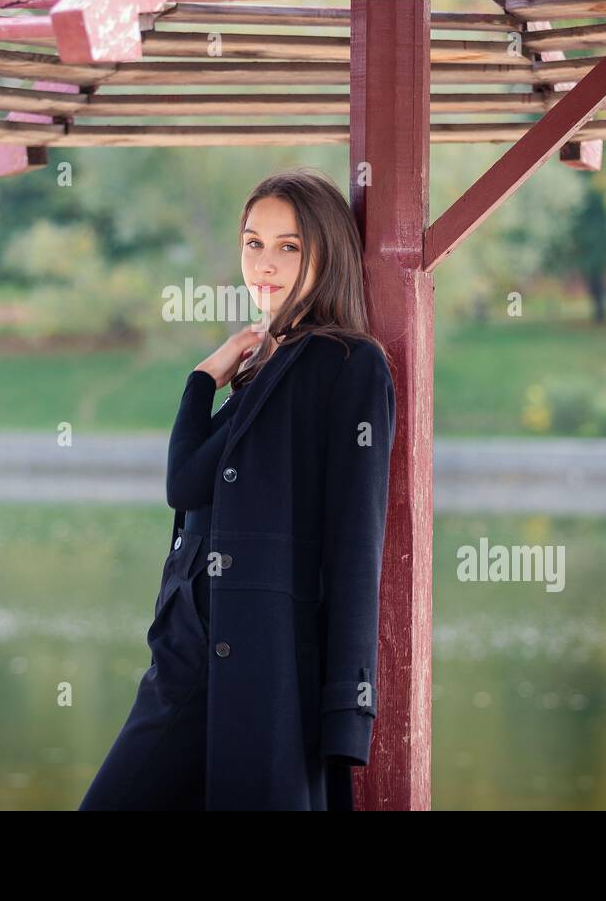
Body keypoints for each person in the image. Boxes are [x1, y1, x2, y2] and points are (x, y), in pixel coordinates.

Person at [79, 168, 397, 811]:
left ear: (327, 254)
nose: (266, 263)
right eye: (254, 243)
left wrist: (348, 710)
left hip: (267, 662)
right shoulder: (260, 363)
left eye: (290, 246)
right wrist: (203, 378)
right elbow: (186, 485)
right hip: (188, 654)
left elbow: (357, 544)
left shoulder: (348, 364)